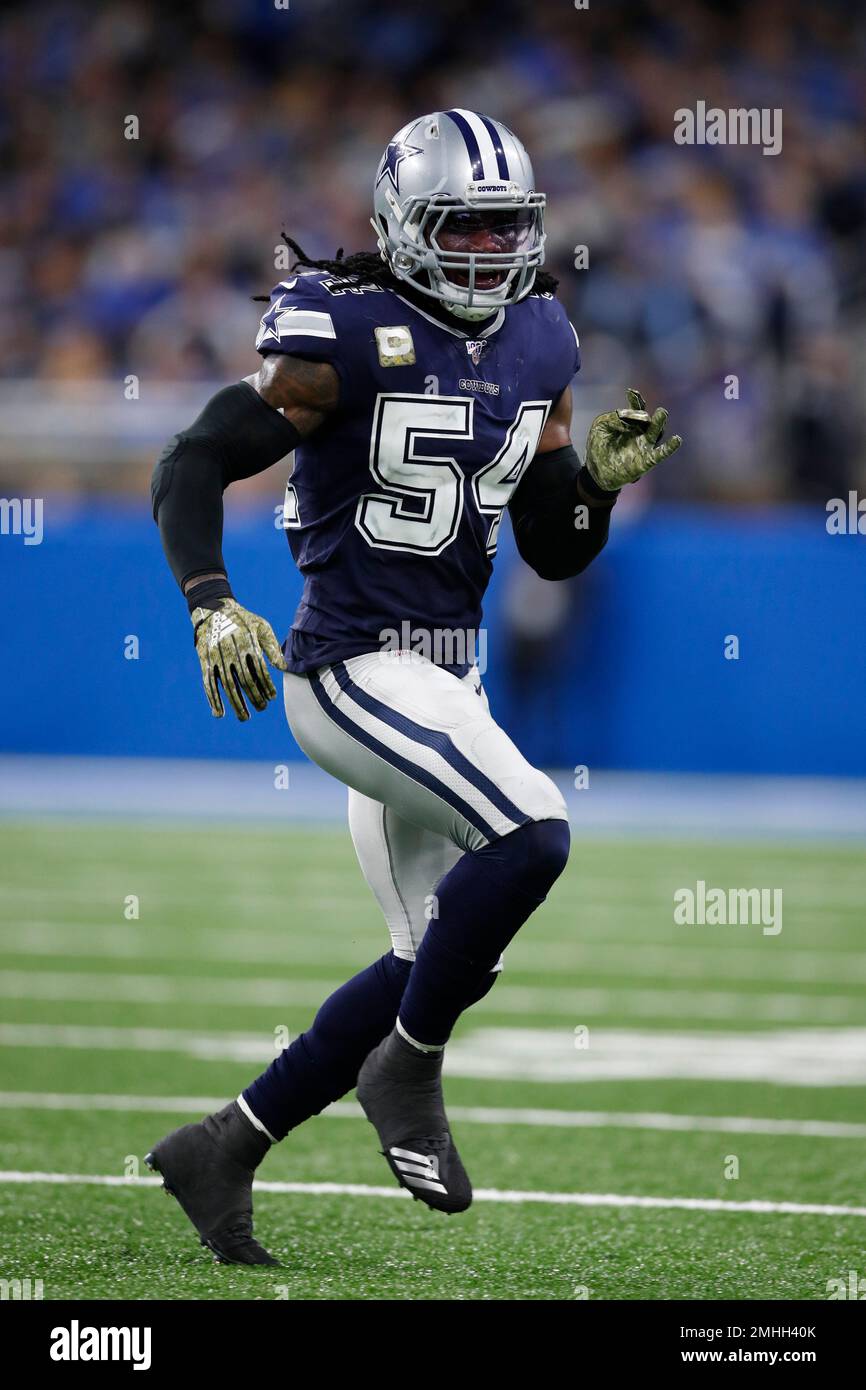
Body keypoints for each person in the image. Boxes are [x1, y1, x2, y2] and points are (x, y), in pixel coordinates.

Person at [146, 108, 682, 1265]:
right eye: (466, 225)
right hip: (349, 668)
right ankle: (409, 1069)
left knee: (426, 957)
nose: (492, 249)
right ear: (404, 222)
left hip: (450, 681)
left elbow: (549, 543)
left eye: (509, 228)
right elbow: (192, 455)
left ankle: (224, 1144)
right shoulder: (338, 329)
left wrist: (592, 483)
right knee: (533, 833)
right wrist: (204, 597)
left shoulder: (541, 341)